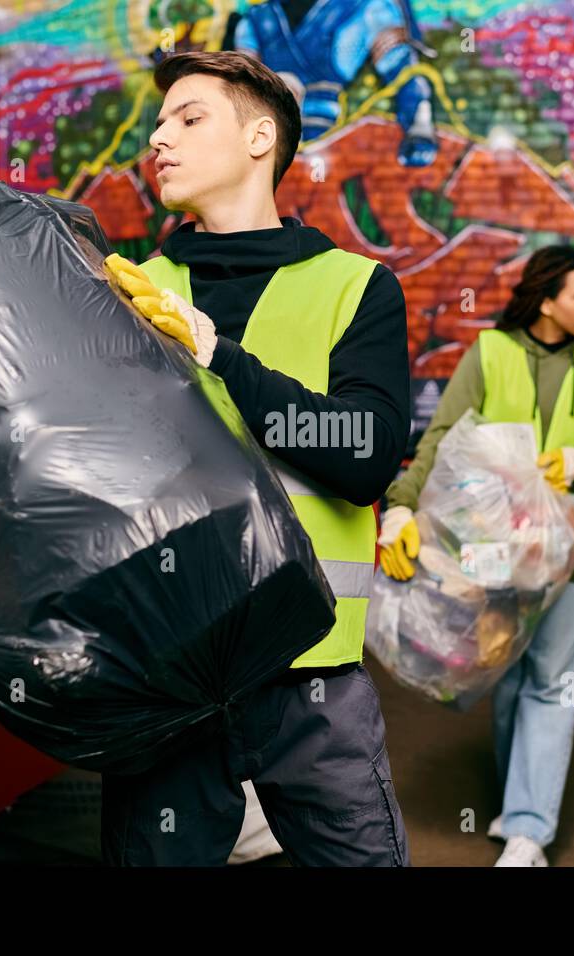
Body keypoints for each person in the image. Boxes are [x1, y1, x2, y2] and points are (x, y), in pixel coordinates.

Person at [99, 51, 412, 866]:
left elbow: (366, 456)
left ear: (259, 138)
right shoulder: (124, 290)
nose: (159, 139)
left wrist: (220, 358)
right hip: (165, 665)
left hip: (309, 669)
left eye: (189, 118)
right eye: (158, 122)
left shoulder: (355, 287)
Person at [379, 245, 574, 866]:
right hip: (491, 556)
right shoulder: (489, 353)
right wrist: (402, 505)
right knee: (509, 677)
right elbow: (442, 434)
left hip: (568, 555)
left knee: (551, 682)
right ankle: (521, 802)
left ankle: (528, 829)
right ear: (546, 301)